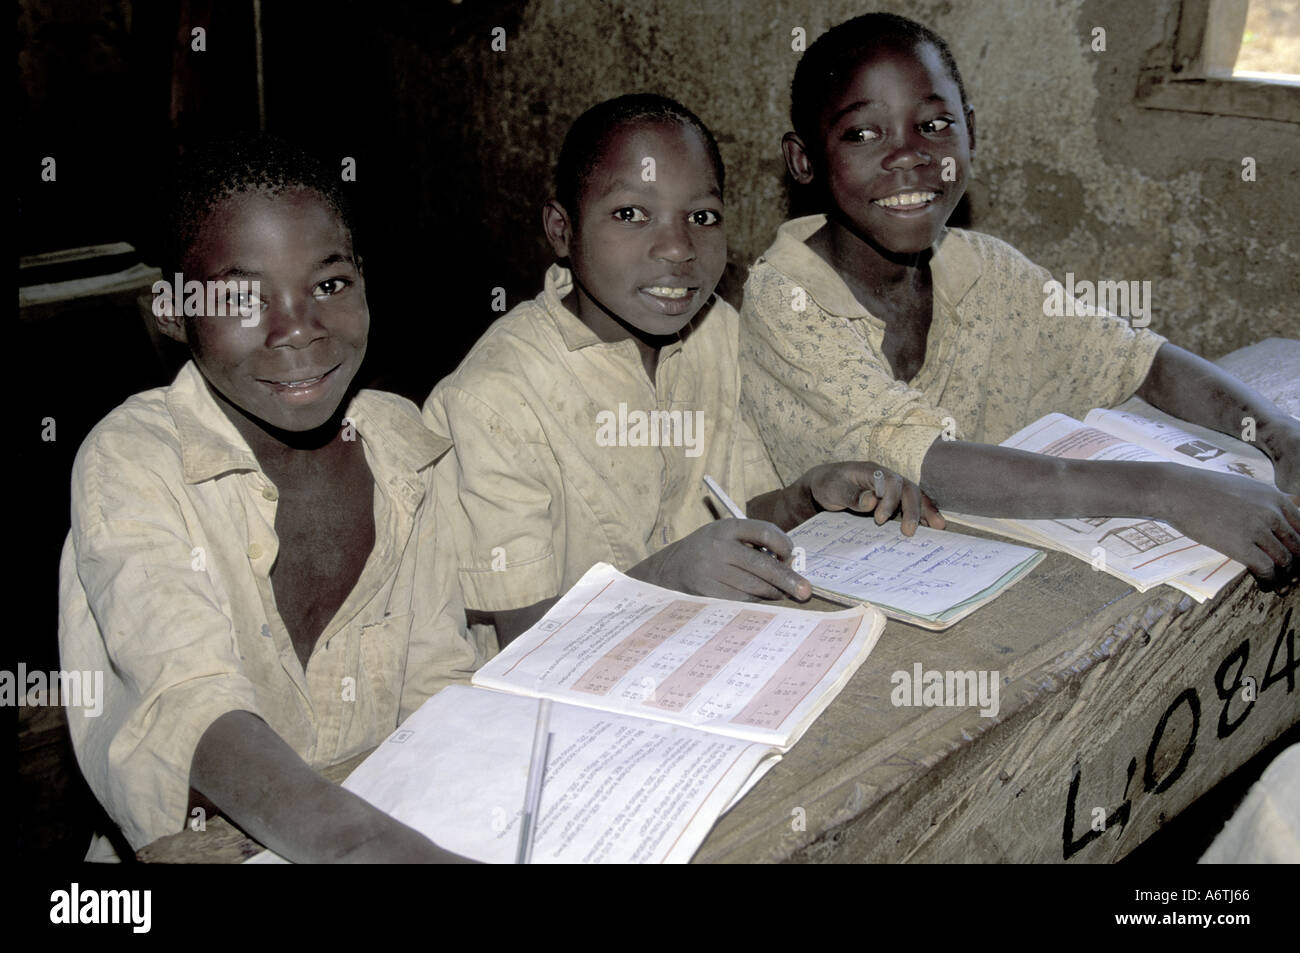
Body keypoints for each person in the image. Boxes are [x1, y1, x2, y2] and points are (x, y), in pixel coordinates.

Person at [740, 13, 1300, 585]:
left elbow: (1132, 357)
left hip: (985, 564)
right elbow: (917, 459)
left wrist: (1281, 434)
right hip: (834, 589)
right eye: (862, 134)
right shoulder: (787, 302)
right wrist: (1169, 490)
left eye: (934, 125)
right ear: (803, 159)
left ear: (971, 133)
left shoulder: (987, 269)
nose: (908, 156)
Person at [58, 137, 490, 862]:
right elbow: (190, 702)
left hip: (394, 809)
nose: (299, 330)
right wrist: (354, 840)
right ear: (170, 309)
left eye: (329, 285)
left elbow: (436, 679)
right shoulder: (135, 462)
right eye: (240, 298)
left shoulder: (399, 445)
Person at [425, 94, 941, 646]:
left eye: (701, 217)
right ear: (561, 229)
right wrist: (668, 576)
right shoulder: (495, 400)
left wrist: (806, 498)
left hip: (703, 653)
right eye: (630, 214)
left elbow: (734, 507)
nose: (677, 248)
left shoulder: (714, 330)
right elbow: (523, 634)